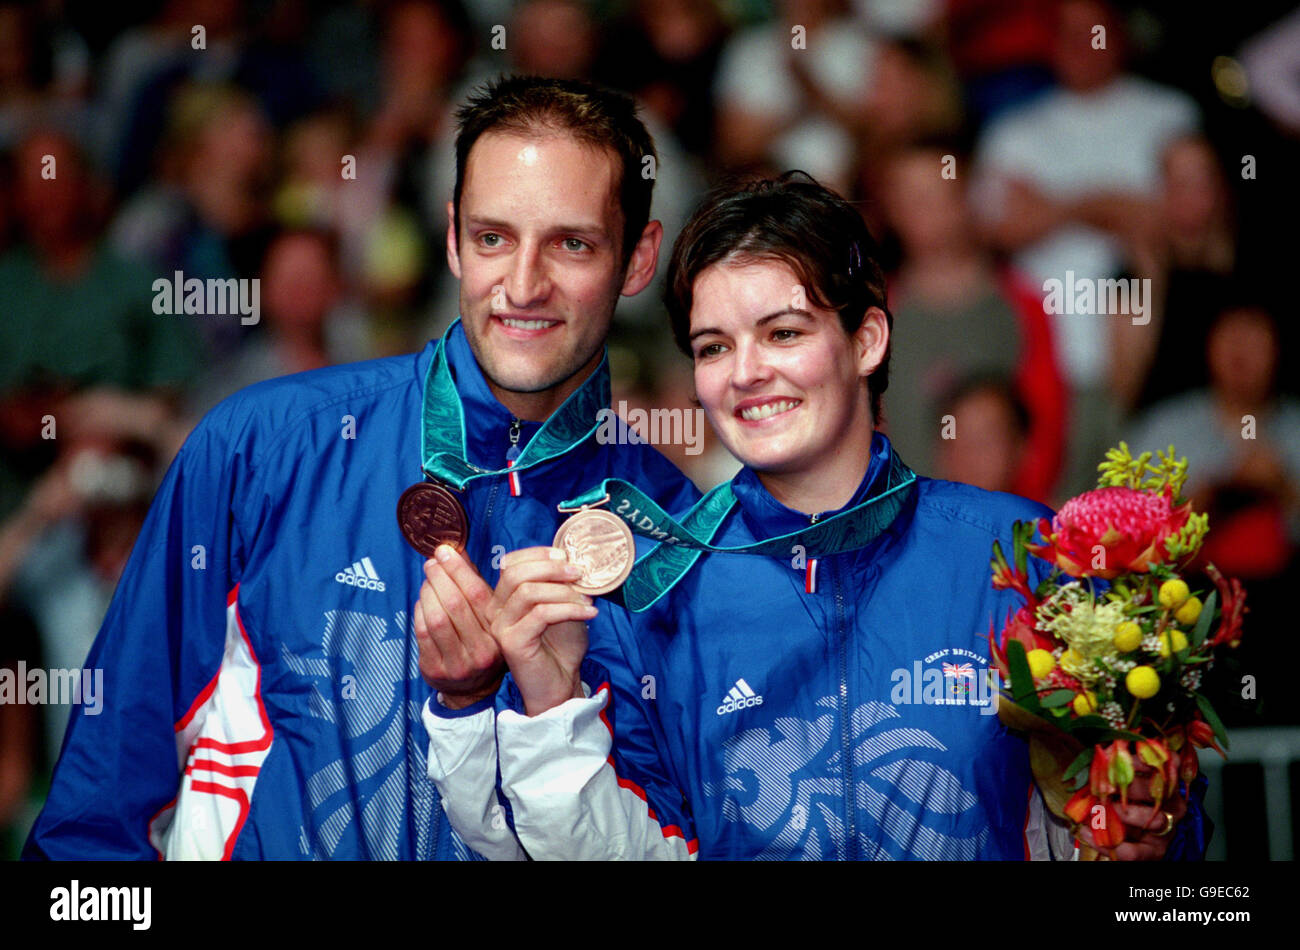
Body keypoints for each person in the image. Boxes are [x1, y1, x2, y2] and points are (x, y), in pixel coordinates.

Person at [422, 173, 1208, 860]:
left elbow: (1152, 834)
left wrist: (1147, 831)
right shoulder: (659, 591)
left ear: (866, 338)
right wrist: (551, 709)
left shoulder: (1017, 553)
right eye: (713, 347)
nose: (748, 373)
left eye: (784, 333)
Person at [23, 75, 698, 860]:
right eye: (493, 238)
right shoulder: (265, 447)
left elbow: (672, 840)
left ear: (639, 259)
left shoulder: (672, 542)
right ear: (451, 239)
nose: (523, 285)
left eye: (572, 244)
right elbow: (96, 817)